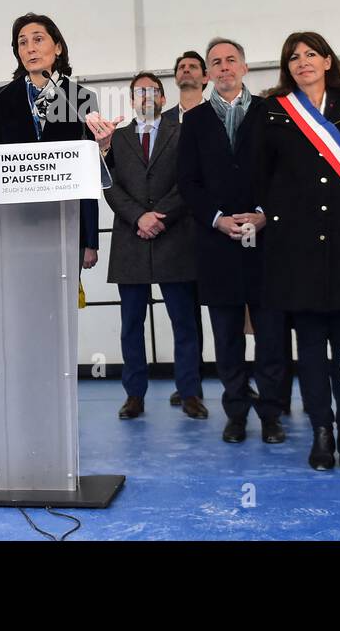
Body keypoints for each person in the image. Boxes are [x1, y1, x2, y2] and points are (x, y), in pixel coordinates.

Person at [256, 33, 340, 471]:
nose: (302, 62)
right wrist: (262, 214)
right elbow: (258, 175)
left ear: (328, 60)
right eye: (293, 57)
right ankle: (322, 432)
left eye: (311, 54)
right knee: (310, 344)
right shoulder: (273, 110)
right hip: (294, 243)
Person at [177, 37, 287, 445]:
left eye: (230, 61)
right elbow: (187, 181)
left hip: (266, 241)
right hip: (217, 243)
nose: (223, 68)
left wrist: (264, 215)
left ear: (244, 67)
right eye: (215, 63)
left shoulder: (272, 112)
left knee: (272, 335)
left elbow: (283, 174)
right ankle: (236, 413)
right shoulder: (196, 120)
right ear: (207, 74)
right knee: (227, 338)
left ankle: (272, 415)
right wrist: (218, 219)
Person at [0, 12, 117, 266]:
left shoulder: (79, 98)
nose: (30, 48)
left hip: (66, 225)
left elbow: (89, 178)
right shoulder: (0, 98)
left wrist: (103, 146)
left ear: (57, 47)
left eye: (38, 39)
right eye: (22, 42)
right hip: (13, 226)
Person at [104, 72, 204, 420]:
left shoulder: (185, 132)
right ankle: (135, 396)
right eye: (139, 92)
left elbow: (192, 179)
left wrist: (161, 215)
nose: (146, 97)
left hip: (175, 237)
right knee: (131, 324)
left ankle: (190, 392)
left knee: (184, 322)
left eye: (153, 91)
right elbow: (108, 185)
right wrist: (139, 217)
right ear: (131, 100)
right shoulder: (115, 139)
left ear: (163, 98)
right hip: (131, 241)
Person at [161, 50, 210, 407]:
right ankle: (190, 387)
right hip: (174, 233)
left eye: (193, 66)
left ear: (205, 78)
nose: (187, 70)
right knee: (183, 317)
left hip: (216, 229)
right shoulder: (160, 124)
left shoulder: (221, 115)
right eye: (181, 67)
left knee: (227, 316)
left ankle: (238, 382)